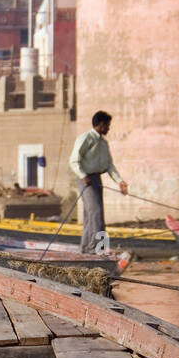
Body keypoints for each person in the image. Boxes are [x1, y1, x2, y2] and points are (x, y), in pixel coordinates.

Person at [68, 109, 129, 254]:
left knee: (93, 215)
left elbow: (109, 165)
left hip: (96, 178)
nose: (109, 128)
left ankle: (87, 249)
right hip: (85, 179)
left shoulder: (103, 143)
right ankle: (96, 250)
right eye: (108, 125)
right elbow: (73, 161)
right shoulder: (86, 138)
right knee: (94, 213)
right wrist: (83, 176)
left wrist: (120, 181)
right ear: (101, 124)